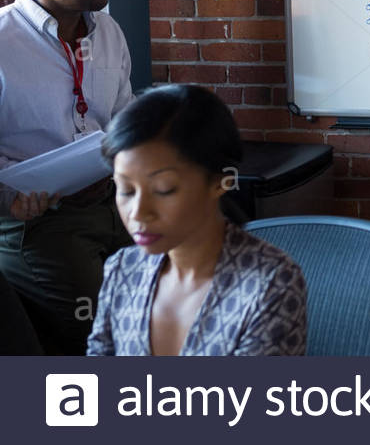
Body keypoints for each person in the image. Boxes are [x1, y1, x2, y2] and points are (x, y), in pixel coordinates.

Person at [88, 84, 307, 355]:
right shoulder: (122, 269)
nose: (137, 212)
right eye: (126, 190)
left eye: (164, 189)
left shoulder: (269, 284)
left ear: (219, 182)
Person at [0, 0, 134, 353]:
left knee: (160, 311)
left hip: (113, 202)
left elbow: (121, 117)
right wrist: (8, 197)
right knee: (95, 336)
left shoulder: (108, 32)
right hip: (39, 221)